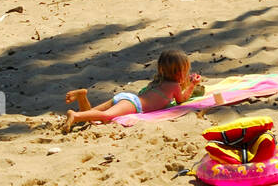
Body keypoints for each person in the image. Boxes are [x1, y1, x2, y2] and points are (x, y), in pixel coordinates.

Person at [62, 48, 202, 133]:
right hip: (134, 105)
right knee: (105, 117)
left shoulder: (161, 81)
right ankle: (75, 115)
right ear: (179, 73)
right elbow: (181, 100)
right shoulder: (174, 86)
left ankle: (82, 97)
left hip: (128, 98)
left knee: (92, 115)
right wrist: (192, 85)